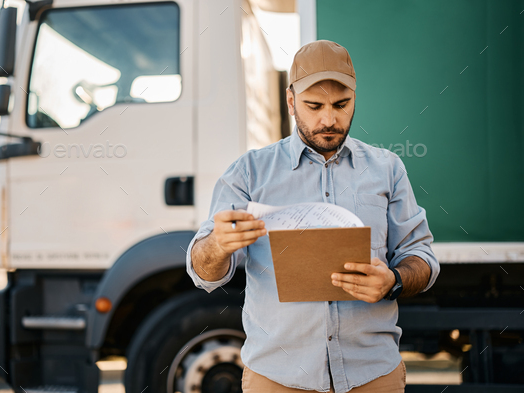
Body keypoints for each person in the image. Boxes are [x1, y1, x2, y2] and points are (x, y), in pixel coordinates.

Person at [185, 40, 439, 393]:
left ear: (354, 98)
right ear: (291, 101)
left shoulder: (387, 169)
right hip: (277, 379)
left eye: (341, 105)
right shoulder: (248, 173)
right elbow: (203, 274)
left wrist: (393, 279)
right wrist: (217, 245)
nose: (329, 119)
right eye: (314, 105)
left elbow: (422, 259)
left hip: (372, 376)